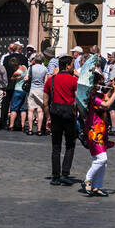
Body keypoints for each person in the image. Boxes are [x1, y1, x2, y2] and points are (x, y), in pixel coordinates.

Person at [81, 71, 115, 197]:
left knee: (100, 160)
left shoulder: (97, 94)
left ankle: (97, 186)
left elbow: (106, 98)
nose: (101, 85)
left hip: (100, 130)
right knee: (102, 158)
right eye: (99, 83)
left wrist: (113, 89)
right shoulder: (91, 96)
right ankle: (87, 180)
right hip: (94, 131)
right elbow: (106, 105)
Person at [47, 55, 79, 185]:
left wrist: (48, 117)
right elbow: (79, 98)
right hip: (69, 114)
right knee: (70, 144)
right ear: (67, 66)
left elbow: (44, 102)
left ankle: (55, 176)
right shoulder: (73, 80)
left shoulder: (51, 80)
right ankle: (65, 173)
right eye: (72, 64)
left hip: (55, 114)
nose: (74, 67)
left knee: (56, 146)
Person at [25, 53, 49, 136]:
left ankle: (30, 129)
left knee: (31, 110)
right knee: (40, 110)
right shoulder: (45, 69)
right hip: (41, 90)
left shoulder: (31, 68)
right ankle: (39, 130)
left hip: (32, 89)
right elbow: (46, 81)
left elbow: (26, 78)